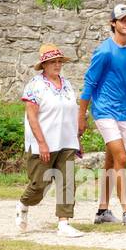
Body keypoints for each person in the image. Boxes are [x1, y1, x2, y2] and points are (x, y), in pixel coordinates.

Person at [78, 4, 126, 226]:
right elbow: (89, 83)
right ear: (113, 24)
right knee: (122, 158)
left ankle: (102, 212)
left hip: (123, 110)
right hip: (103, 109)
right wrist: (81, 115)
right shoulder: (104, 51)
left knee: (112, 160)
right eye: (123, 20)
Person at [16, 44, 85, 238]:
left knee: (68, 181)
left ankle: (64, 223)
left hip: (67, 141)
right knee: (40, 184)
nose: (57, 65)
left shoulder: (67, 84)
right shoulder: (34, 86)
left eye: (59, 61)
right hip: (43, 142)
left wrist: (77, 138)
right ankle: (23, 203)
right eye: (52, 62)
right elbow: (32, 117)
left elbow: (72, 111)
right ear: (44, 65)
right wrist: (42, 143)